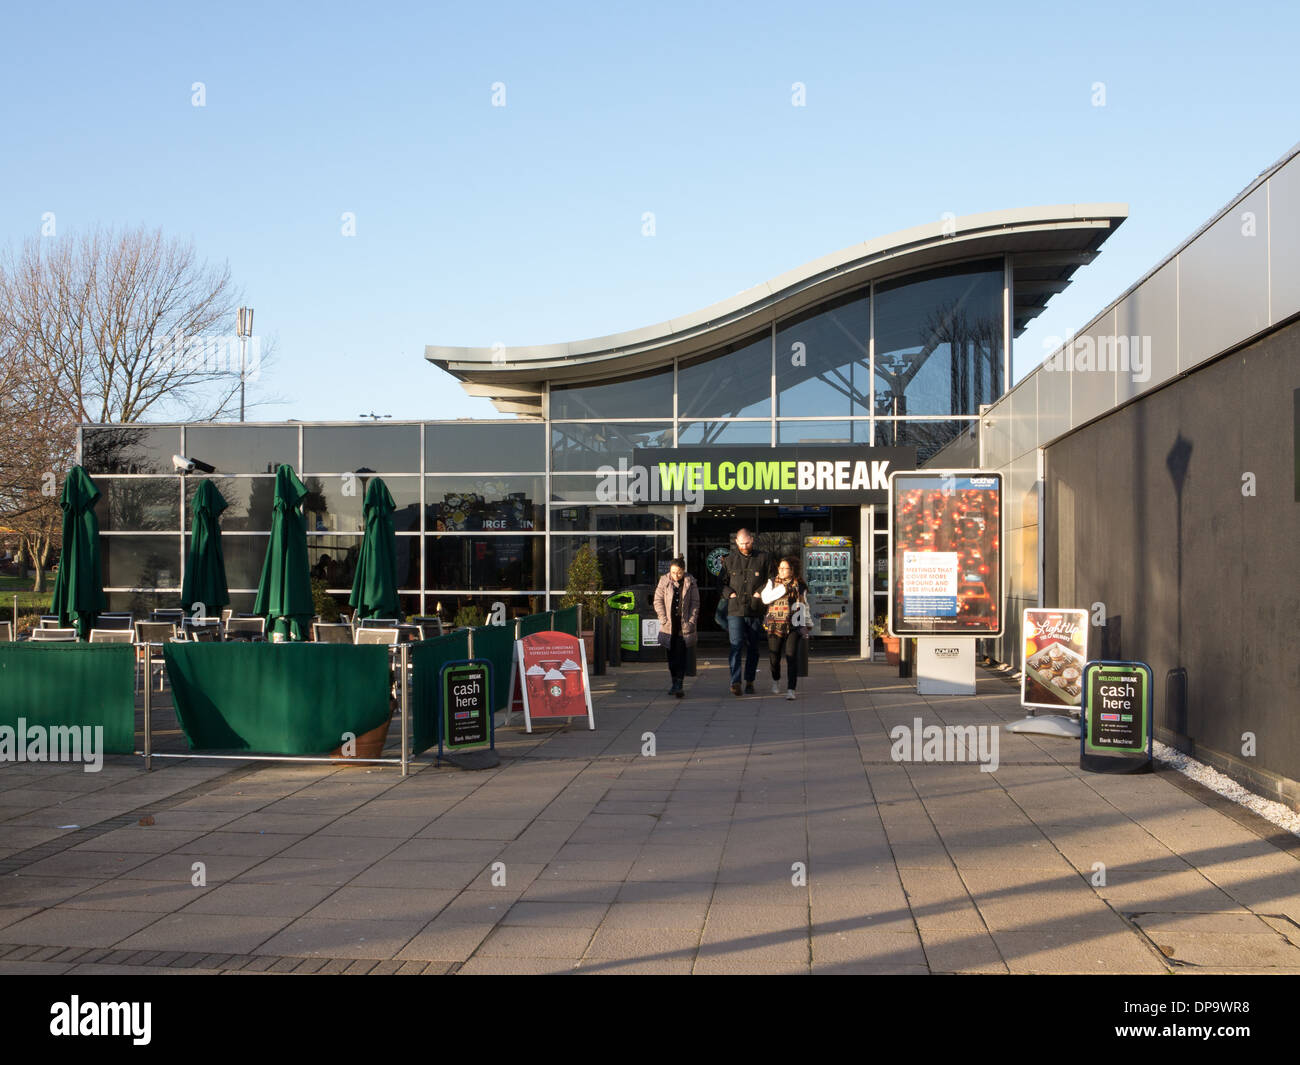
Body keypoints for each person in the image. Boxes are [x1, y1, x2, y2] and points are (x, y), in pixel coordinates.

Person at [719, 528, 772, 695]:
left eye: (747, 543)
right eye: (741, 543)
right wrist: (730, 594)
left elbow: (772, 579)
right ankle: (735, 682)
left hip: (755, 610)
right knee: (735, 646)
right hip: (735, 611)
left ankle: (750, 681)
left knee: (753, 648)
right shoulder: (729, 561)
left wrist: (761, 591)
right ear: (736, 542)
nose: (744, 546)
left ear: (752, 540)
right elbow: (720, 583)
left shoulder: (763, 558)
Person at [761, 556, 811, 700]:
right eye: (780, 568)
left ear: (792, 570)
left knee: (791, 657)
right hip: (774, 623)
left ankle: (791, 689)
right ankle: (775, 680)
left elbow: (804, 605)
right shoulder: (772, 582)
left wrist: (807, 624)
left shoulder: (800, 585)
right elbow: (766, 599)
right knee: (774, 656)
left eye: (785, 568)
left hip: (794, 624)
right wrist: (784, 588)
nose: (781, 571)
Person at [653, 557, 699, 697]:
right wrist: (663, 618)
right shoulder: (664, 581)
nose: (676, 576)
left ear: (683, 571)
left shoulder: (690, 582)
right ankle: (674, 682)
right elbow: (657, 600)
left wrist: (691, 621)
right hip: (669, 626)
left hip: (683, 626)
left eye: (678, 572)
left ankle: (679, 683)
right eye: (673, 572)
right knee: (671, 656)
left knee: (681, 655)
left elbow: (695, 603)